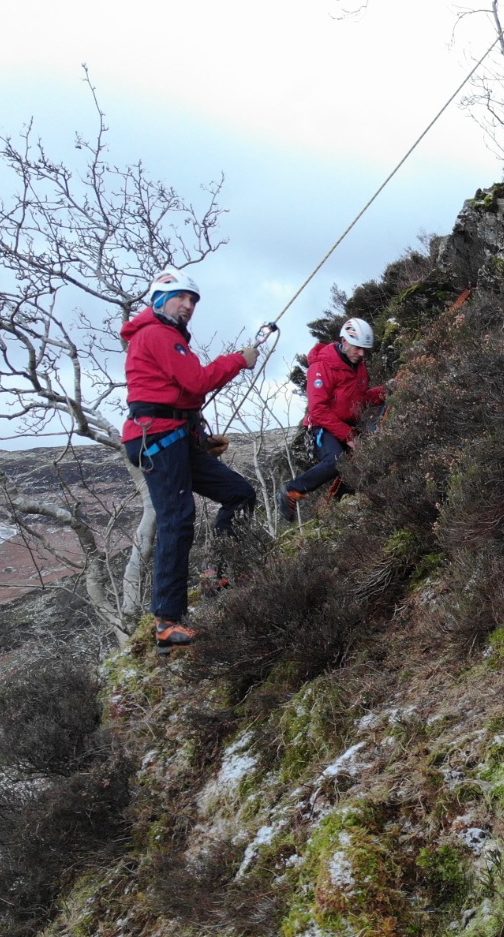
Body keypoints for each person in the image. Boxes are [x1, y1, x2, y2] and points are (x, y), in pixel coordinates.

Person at [122, 268, 259, 652]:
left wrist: (199, 438)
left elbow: (179, 397)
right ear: (159, 300)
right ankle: (167, 621)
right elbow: (196, 383)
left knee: (239, 493)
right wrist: (239, 360)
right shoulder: (157, 334)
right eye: (181, 297)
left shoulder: (165, 336)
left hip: (174, 438)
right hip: (159, 440)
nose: (187, 306)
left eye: (193, 301)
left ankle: (217, 573)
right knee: (177, 519)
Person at [278, 318, 387, 519]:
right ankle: (292, 491)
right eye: (357, 348)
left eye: (365, 349)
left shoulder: (359, 366)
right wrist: (349, 436)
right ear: (344, 341)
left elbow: (360, 399)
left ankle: (351, 509)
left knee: (366, 460)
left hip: (347, 425)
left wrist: (386, 392)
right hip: (322, 427)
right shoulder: (322, 367)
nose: (361, 354)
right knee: (337, 460)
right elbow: (318, 410)